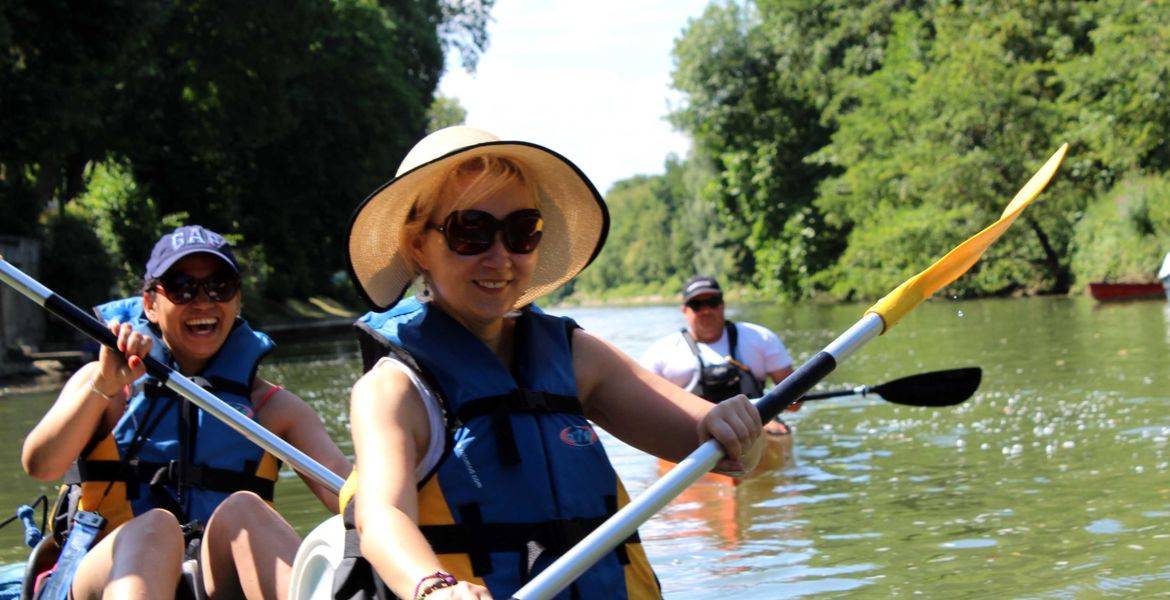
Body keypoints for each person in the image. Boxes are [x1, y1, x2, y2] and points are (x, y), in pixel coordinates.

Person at [333, 126, 766, 600]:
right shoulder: (393, 389)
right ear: (418, 245)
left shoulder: (576, 356)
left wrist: (733, 425)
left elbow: (711, 441)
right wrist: (433, 587)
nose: (500, 257)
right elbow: (381, 516)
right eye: (470, 231)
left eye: (522, 231)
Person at [21, 225, 352, 600]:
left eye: (220, 286)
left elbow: (352, 493)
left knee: (247, 510)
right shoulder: (106, 382)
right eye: (182, 287)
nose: (203, 301)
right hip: (102, 572)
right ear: (150, 304)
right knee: (155, 530)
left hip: (207, 575)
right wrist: (103, 386)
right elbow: (41, 465)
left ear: (237, 300)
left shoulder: (273, 408)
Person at [640, 275, 798, 437]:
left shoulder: (761, 338)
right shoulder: (660, 352)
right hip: (691, 433)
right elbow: (646, 413)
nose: (706, 310)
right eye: (697, 305)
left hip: (757, 425)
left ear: (722, 305)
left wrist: (776, 408)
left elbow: (795, 405)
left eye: (712, 302)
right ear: (685, 310)